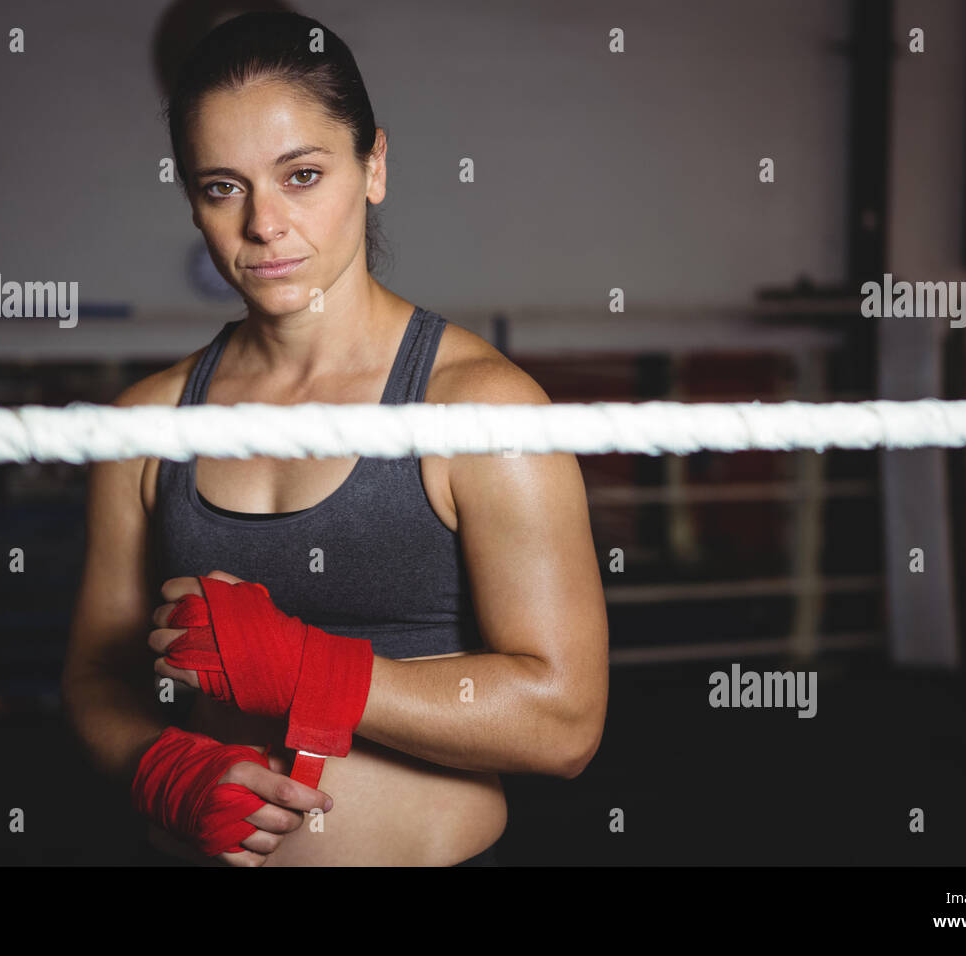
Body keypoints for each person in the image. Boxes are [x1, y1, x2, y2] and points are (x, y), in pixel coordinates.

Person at [61, 10, 608, 867]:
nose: (264, 224)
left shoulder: (479, 407)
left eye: (302, 175)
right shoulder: (145, 426)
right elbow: (98, 676)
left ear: (374, 165)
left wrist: (313, 672)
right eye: (222, 187)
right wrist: (159, 766)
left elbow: (565, 721)